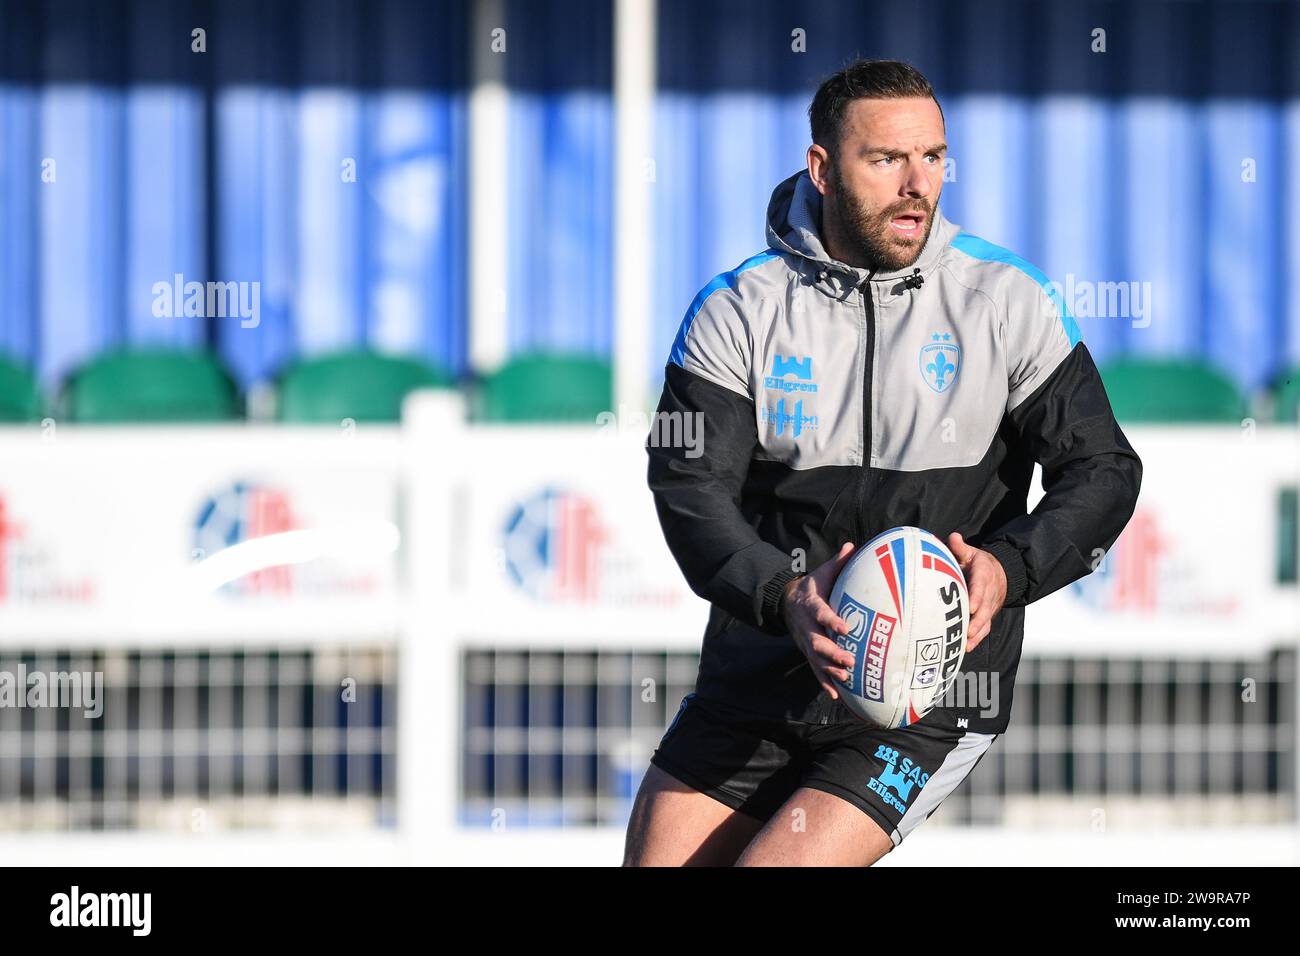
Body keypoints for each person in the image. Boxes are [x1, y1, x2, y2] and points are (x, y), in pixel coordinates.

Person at [624, 59, 1142, 866]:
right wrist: (782, 594)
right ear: (822, 169)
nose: (917, 185)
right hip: (759, 676)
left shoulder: (1009, 301)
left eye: (933, 157)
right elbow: (688, 485)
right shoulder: (736, 310)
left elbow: (1104, 469)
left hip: (925, 699)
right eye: (887, 160)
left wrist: (1009, 570)